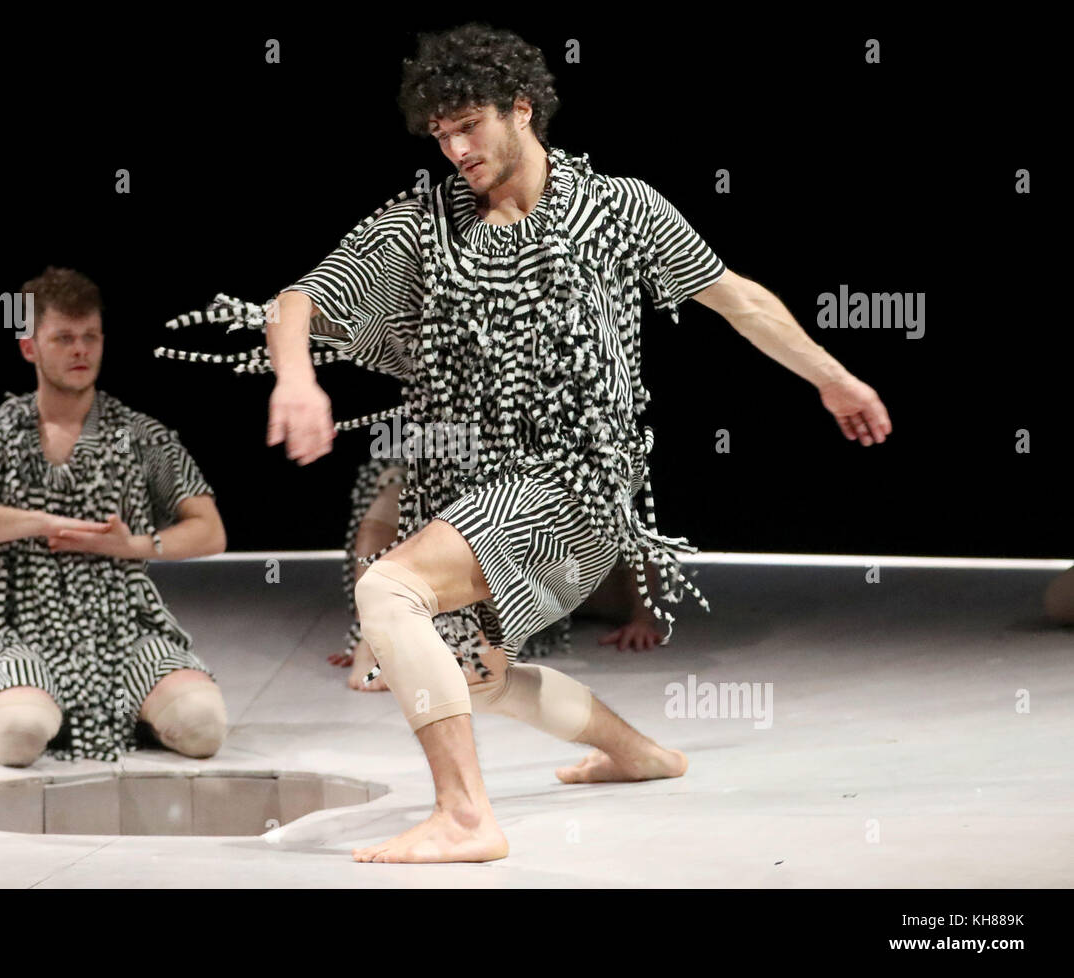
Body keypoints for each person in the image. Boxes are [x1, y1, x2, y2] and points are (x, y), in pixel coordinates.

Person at [174, 23, 891, 862]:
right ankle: (641, 755)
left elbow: (738, 299)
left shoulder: (619, 208)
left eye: (470, 124)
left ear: (522, 108)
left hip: (576, 484)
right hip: (473, 490)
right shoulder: (426, 227)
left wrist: (831, 375)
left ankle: (467, 820)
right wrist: (295, 378)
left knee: (390, 592)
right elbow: (300, 298)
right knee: (479, 672)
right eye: (440, 134)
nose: (456, 149)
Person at [0, 267, 228, 766]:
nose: (80, 350)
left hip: (125, 628)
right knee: (20, 733)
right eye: (63, 338)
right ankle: (12, 700)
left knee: (202, 725)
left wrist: (131, 547)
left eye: (90, 337)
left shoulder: (141, 435)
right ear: (29, 348)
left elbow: (210, 530)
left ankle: (125, 707)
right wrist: (43, 523)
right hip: (22, 629)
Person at [332, 455, 664, 692]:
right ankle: (376, 635)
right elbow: (380, 520)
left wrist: (643, 619)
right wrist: (370, 634)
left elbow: (628, 527)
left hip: (553, 571)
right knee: (394, 494)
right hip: (459, 559)